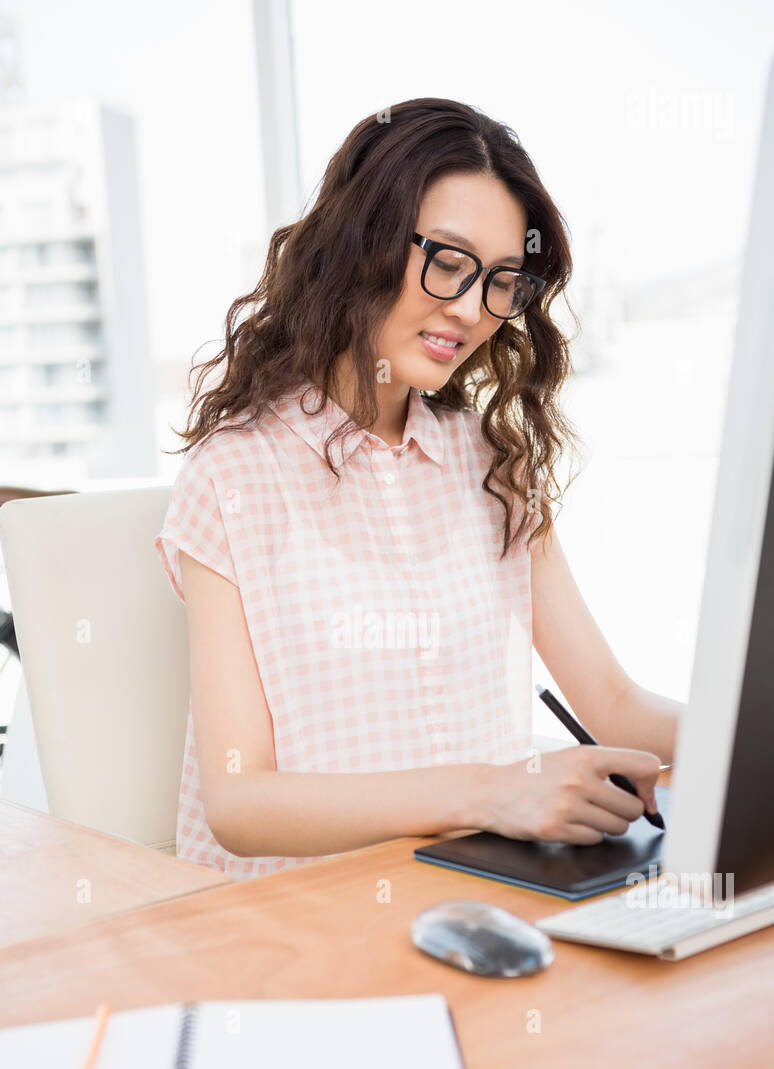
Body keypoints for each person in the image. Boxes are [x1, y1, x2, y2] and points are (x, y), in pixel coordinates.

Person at [155, 97, 683, 881]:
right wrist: (493, 793)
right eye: (447, 260)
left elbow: (613, 703)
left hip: (482, 894)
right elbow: (239, 803)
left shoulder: (493, 462)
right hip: (302, 931)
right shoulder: (234, 476)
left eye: (503, 281)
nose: (471, 309)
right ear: (361, 243)